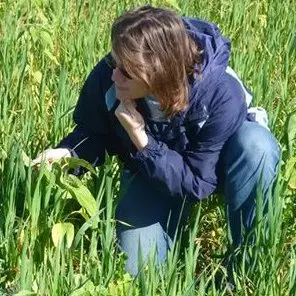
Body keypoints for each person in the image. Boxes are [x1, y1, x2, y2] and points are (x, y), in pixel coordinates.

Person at [33, 5, 280, 277]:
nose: (114, 74)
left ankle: (246, 267)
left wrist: (142, 139)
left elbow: (198, 181)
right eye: (114, 63)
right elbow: (95, 133)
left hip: (216, 164)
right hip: (151, 172)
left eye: (126, 71)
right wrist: (68, 153)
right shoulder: (111, 76)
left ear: (159, 72)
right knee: (138, 272)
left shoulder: (221, 93)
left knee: (256, 146)